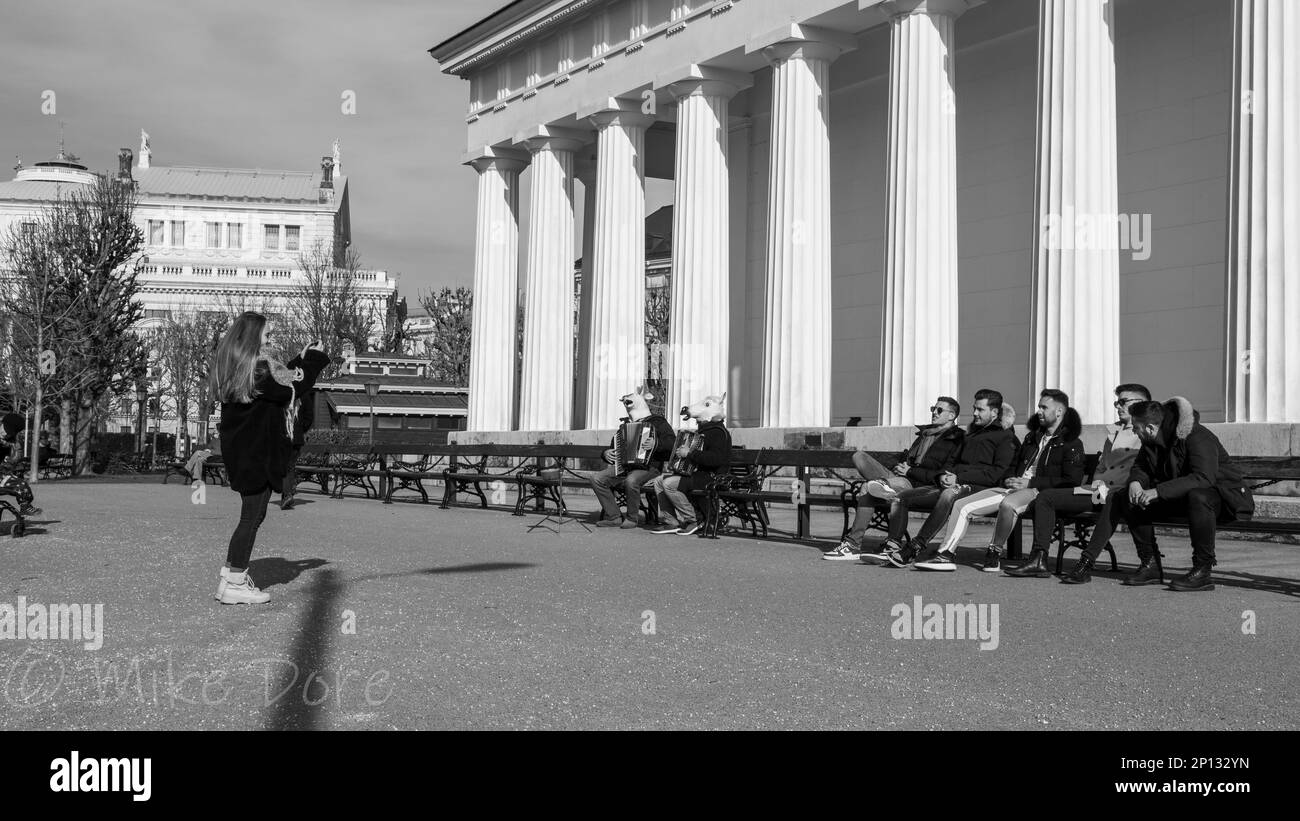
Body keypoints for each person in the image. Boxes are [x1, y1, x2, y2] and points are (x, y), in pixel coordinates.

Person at [210, 312, 328, 605]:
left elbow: (281, 382)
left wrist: (299, 360)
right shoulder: (258, 371)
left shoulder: (246, 370)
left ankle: (230, 575)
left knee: (250, 516)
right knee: (252, 517)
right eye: (266, 334)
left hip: (246, 456)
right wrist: (313, 361)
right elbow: (292, 388)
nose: (270, 338)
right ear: (253, 337)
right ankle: (235, 580)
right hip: (257, 457)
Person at [913, 389, 1083, 573]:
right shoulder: (1032, 437)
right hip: (1010, 487)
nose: (1039, 411)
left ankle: (994, 553)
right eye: (1039, 407)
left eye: (1044, 407)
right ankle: (945, 554)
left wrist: (1031, 483)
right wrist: (1009, 478)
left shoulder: (1071, 443)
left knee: (1008, 505)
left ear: (1059, 411)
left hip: (1037, 492)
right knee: (962, 505)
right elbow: (1012, 465)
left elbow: (1071, 480)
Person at [1100, 397, 1254, 592]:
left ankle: (1202, 570)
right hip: (1183, 498)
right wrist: (1135, 483)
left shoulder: (1196, 436)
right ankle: (1150, 565)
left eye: (1136, 428)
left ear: (1149, 428)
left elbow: (1203, 478)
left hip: (1225, 500)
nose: (1134, 431)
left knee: (1199, 496)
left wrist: (1157, 491)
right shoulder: (1151, 441)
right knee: (1126, 497)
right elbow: (1141, 467)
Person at [1006, 383, 1149, 581]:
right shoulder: (1113, 432)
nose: (1117, 406)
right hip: (1099, 491)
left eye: (1123, 402)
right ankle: (1038, 559)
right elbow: (1100, 467)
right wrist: (1098, 485)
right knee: (1046, 497)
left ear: (1141, 403)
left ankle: (1085, 564)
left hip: (1122, 494)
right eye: (1117, 402)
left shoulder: (1146, 432)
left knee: (1113, 499)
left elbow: (1142, 470)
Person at [879, 389, 1019, 568]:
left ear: (994, 412)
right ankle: (892, 545)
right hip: (953, 483)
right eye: (974, 408)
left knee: (948, 495)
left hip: (980, 488)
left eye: (980, 410)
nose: (975, 413)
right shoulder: (970, 436)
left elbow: (995, 475)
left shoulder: (1006, 438)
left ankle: (916, 546)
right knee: (902, 497)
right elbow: (951, 462)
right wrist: (944, 476)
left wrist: (958, 477)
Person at [823, 396, 964, 560]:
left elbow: (944, 473)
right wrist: (901, 464)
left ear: (952, 415)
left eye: (939, 410)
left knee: (868, 489)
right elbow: (911, 459)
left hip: (917, 484)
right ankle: (884, 487)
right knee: (859, 456)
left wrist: (910, 471)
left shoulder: (957, 439)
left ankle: (853, 545)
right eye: (933, 408)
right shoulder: (925, 434)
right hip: (901, 477)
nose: (934, 413)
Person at [589, 387, 676, 529]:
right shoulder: (626, 425)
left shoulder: (658, 422)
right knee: (597, 478)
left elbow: (672, 443)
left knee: (631, 480)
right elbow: (614, 445)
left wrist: (656, 444)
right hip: (625, 467)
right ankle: (614, 516)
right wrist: (606, 453)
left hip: (649, 467)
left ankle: (632, 518)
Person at [650, 393, 731, 536]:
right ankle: (671, 522)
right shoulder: (703, 431)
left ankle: (692, 520)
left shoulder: (718, 432)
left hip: (711, 476)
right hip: (697, 474)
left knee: (669, 484)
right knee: (658, 481)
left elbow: (716, 459)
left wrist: (689, 454)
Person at [280, 388, 317, 511]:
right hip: (296, 437)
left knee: (285, 466)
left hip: (282, 435)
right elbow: (309, 416)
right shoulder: (303, 393)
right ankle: (287, 493)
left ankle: (287, 494)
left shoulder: (281, 391)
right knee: (289, 466)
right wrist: (300, 429)